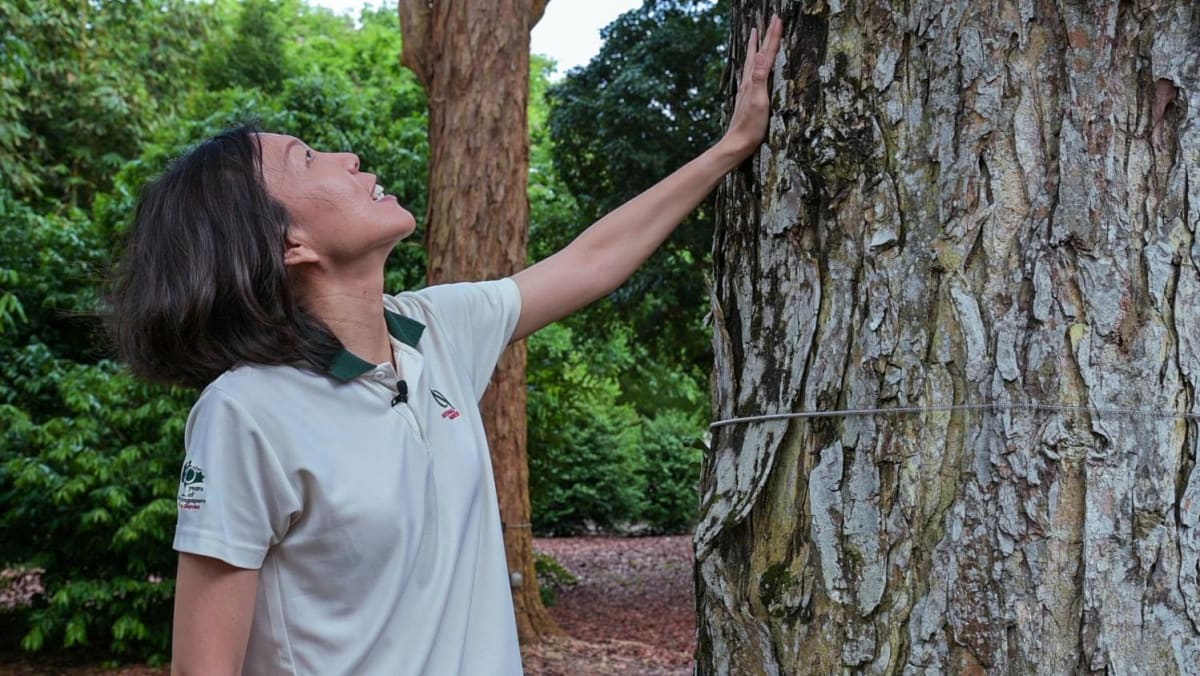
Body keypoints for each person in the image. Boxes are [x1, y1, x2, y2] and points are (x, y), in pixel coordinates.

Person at [106, 16, 782, 676]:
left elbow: (591, 262)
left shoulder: (434, 330)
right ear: (290, 244)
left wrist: (731, 146)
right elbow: (203, 665)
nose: (349, 159)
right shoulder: (247, 412)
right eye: (307, 159)